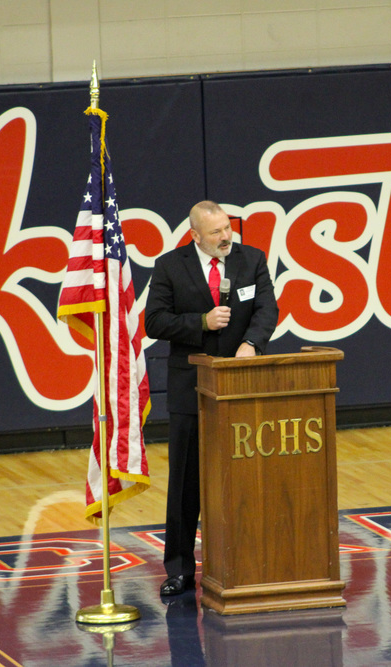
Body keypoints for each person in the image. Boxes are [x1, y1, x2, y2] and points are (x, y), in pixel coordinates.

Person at [144, 200, 279, 597]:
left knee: (249, 477)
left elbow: (266, 308)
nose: (226, 236)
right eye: (216, 232)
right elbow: (154, 321)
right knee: (186, 482)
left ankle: (251, 559)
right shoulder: (170, 266)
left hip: (242, 384)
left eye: (227, 228)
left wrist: (252, 343)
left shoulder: (251, 260)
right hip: (192, 389)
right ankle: (181, 568)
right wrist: (200, 322)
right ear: (195, 236)